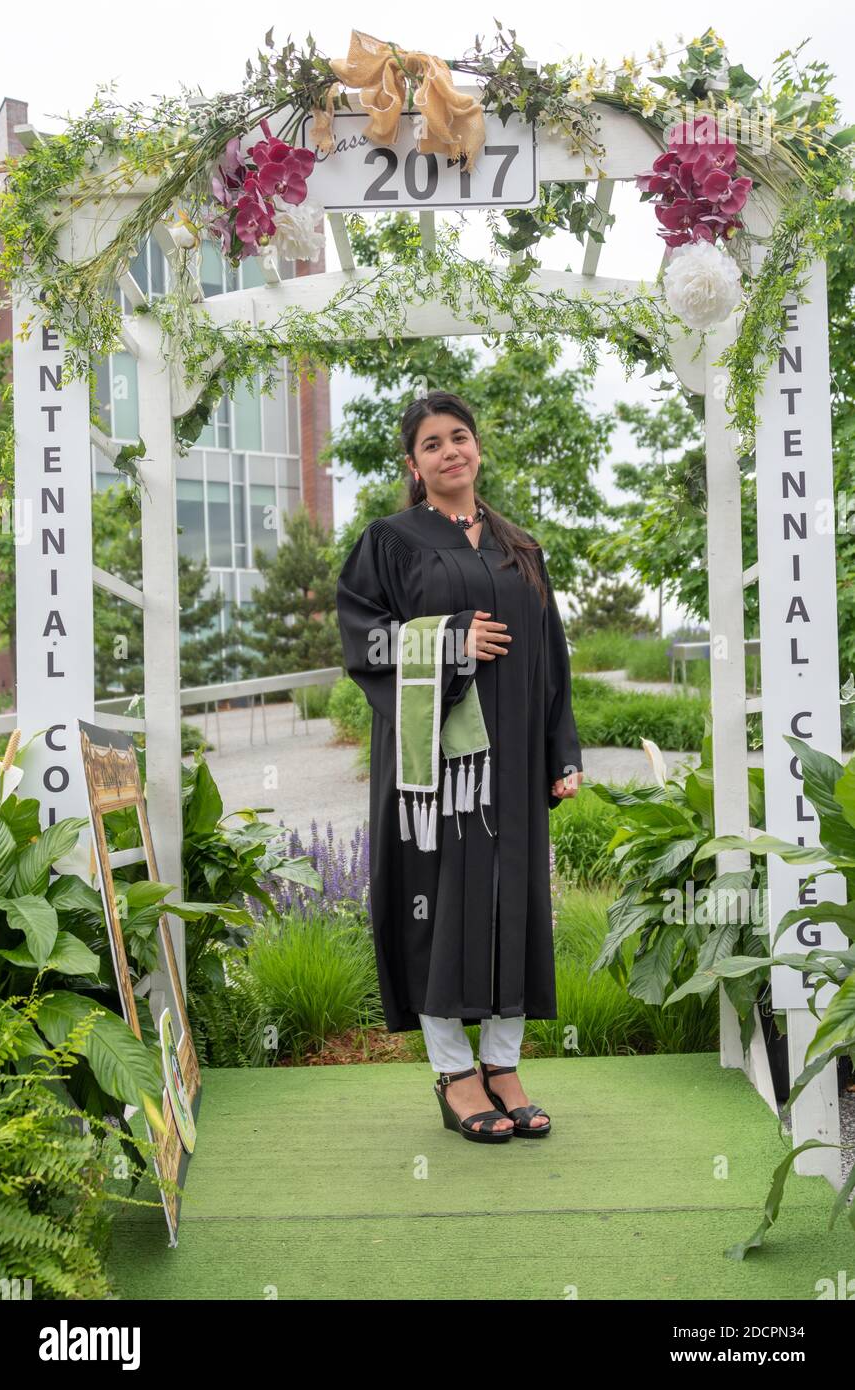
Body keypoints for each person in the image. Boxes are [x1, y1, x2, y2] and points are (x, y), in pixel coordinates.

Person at [335, 391, 583, 1143]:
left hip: (509, 772)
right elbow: (362, 642)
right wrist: (448, 643)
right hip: (435, 769)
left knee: (512, 904)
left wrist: (559, 750)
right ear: (413, 464)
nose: (451, 452)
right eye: (433, 443)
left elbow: (551, 660)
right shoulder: (388, 540)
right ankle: (454, 1072)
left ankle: (504, 1065)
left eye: (460, 438)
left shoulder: (520, 547)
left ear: (477, 449)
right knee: (436, 906)